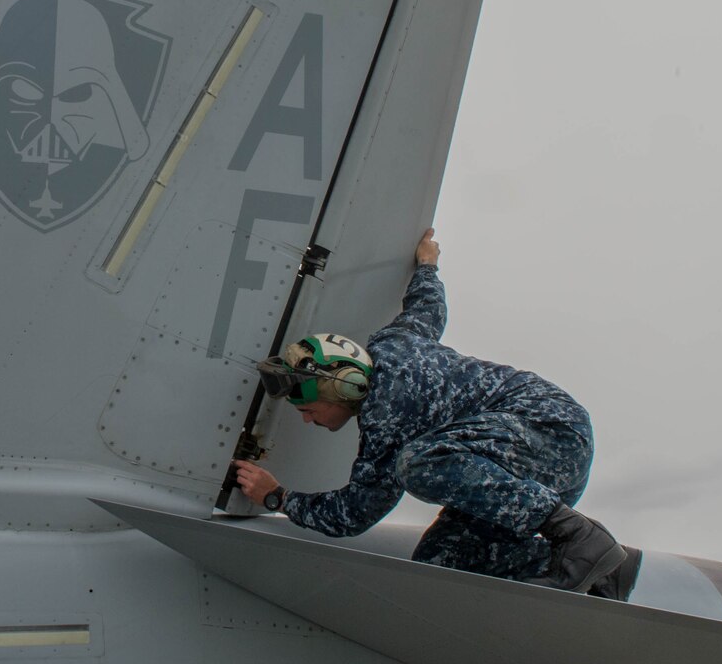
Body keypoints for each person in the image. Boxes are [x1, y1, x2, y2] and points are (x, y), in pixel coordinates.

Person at [229, 228, 630, 594]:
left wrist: (277, 497)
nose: (306, 418)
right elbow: (426, 307)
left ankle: (580, 538)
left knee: (419, 462)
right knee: (437, 569)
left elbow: (352, 515)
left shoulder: (387, 414)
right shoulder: (394, 339)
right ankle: (602, 577)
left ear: (345, 387)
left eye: (310, 407)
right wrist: (428, 264)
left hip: (549, 432)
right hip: (524, 469)